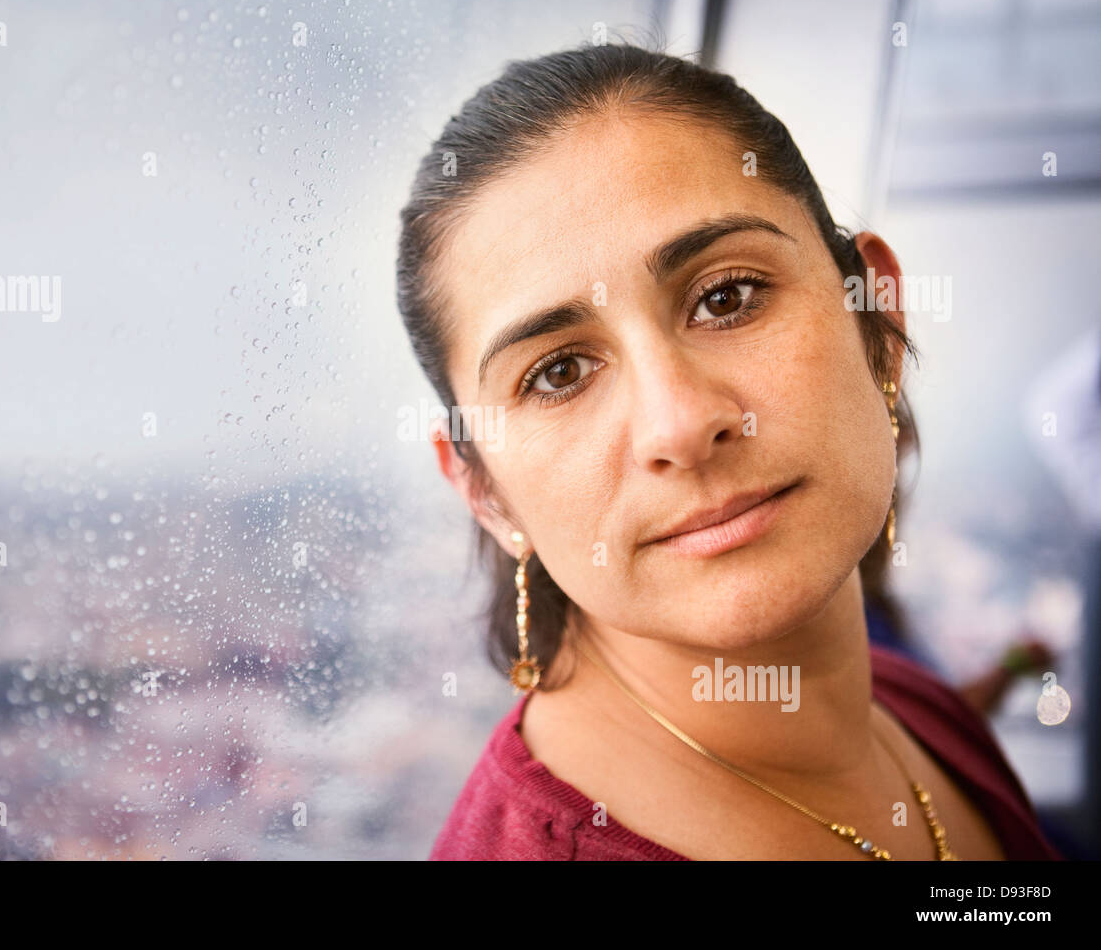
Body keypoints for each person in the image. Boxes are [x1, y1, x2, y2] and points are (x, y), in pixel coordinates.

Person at [396, 42, 1061, 860]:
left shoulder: (916, 711)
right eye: (560, 373)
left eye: (726, 297)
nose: (679, 424)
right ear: (486, 490)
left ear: (878, 324)